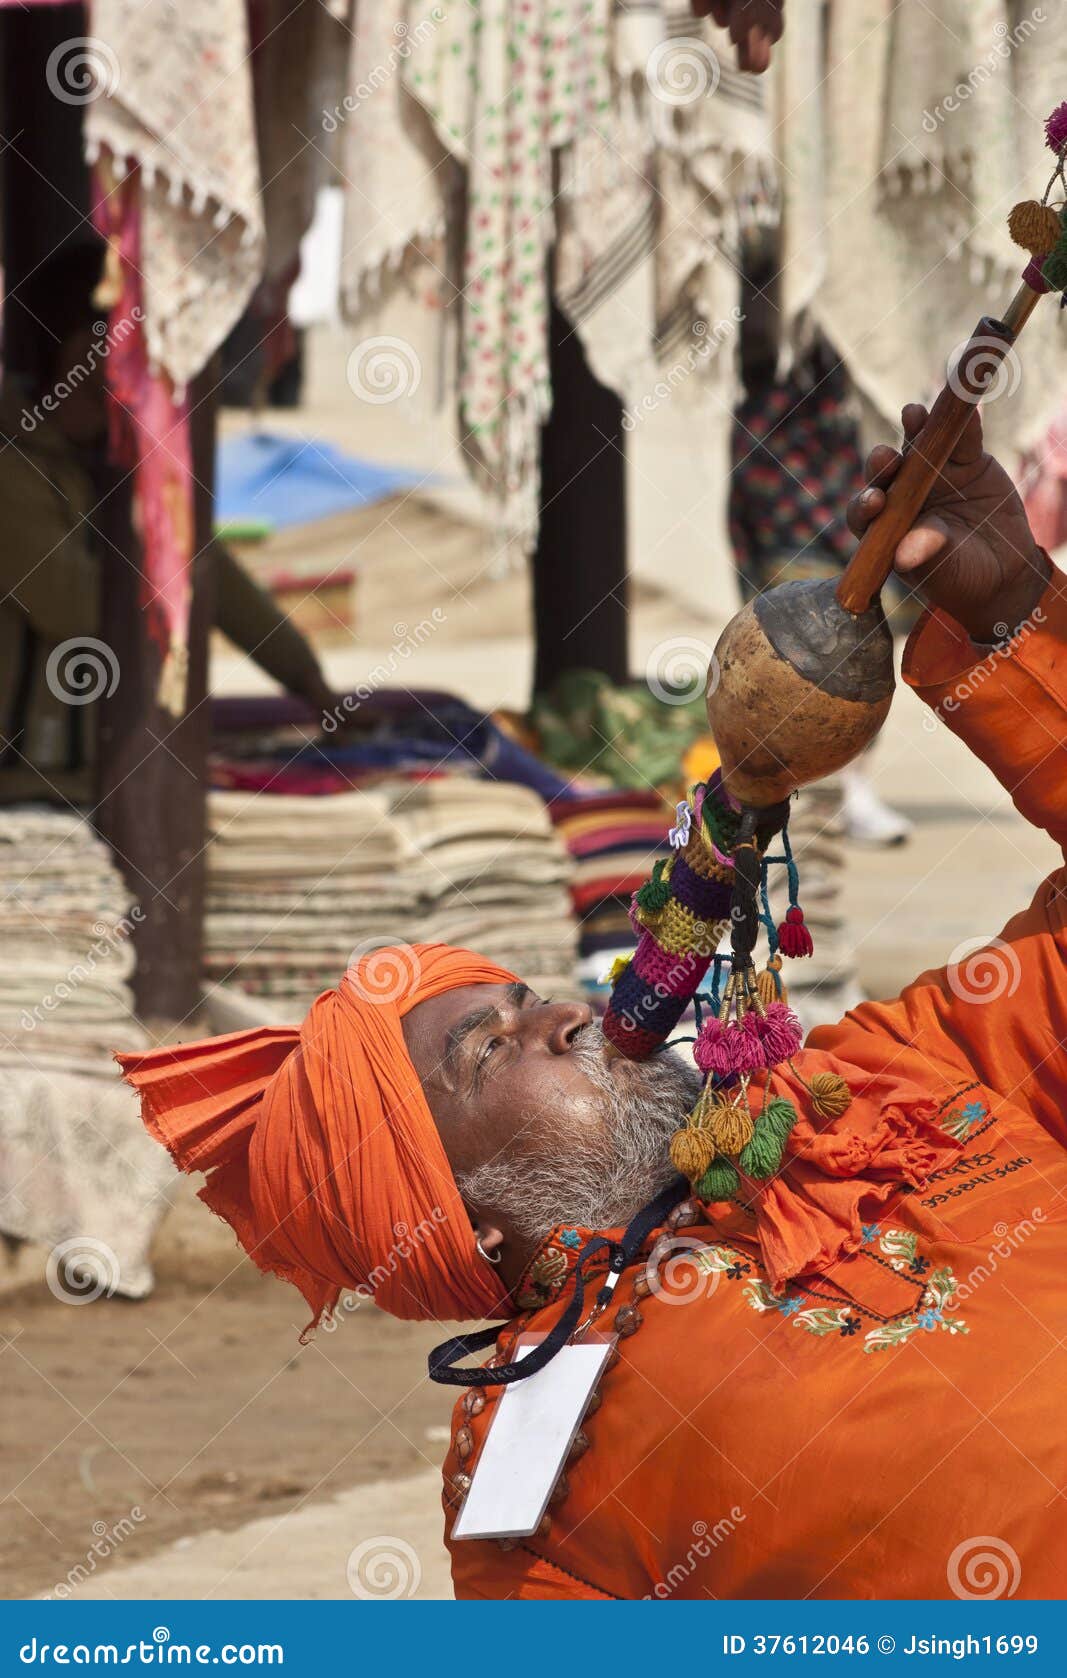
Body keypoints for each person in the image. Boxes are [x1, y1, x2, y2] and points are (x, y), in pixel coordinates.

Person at [119, 400, 1067, 1599]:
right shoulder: (536, 1472)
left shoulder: (874, 1076)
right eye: (489, 1049)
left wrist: (1008, 616)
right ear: (464, 1224)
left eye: (523, 999)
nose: (564, 1014)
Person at [0, 244, 338, 802]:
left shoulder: (95, 459)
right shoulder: (13, 469)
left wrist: (308, 682)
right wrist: (161, 549)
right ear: (81, 354)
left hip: (85, 773)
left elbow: (210, 571)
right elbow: (77, 608)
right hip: (29, 780)